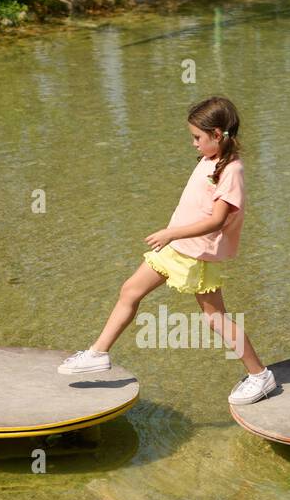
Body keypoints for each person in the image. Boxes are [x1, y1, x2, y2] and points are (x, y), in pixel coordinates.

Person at [58, 96, 276, 406]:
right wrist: (173, 237)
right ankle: (98, 353)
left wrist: (171, 232)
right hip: (177, 247)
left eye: (197, 137)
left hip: (195, 252)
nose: (193, 144)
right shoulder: (211, 159)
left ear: (217, 134)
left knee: (215, 319)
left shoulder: (232, 170)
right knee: (130, 290)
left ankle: (259, 374)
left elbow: (216, 221)